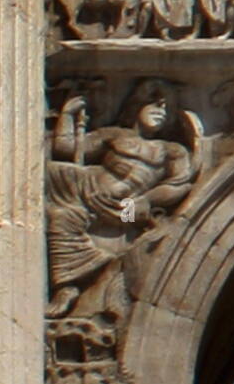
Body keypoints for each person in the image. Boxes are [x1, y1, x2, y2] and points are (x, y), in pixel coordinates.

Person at [45, 82, 196, 319]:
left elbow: (179, 184)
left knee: (65, 212)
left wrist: (146, 200)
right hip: (87, 188)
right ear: (136, 105)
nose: (161, 110)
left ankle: (93, 266)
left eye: (167, 107)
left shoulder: (172, 150)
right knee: (57, 197)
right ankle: (67, 285)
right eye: (154, 103)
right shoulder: (114, 134)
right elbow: (67, 149)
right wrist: (68, 114)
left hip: (125, 205)